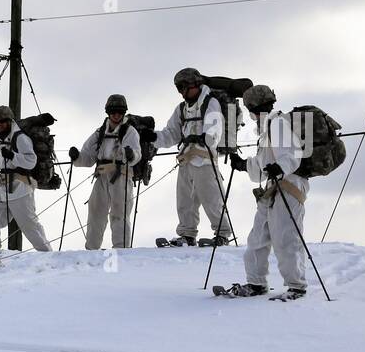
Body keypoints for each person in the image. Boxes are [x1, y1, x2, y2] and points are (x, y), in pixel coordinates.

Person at [224, 85, 307, 298]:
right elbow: (263, 166)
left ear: (253, 107)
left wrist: (280, 168)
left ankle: (297, 286)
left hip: (289, 187)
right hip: (273, 189)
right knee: (258, 237)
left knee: (285, 238)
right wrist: (244, 165)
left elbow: (292, 155)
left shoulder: (277, 123)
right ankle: (256, 283)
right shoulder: (267, 128)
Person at [153, 68, 234, 246]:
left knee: (212, 198)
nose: (182, 93)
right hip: (185, 161)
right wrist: (154, 138)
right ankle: (187, 234)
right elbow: (171, 133)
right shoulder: (181, 108)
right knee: (184, 201)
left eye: (184, 88)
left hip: (204, 160)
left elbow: (214, 128)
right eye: (179, 89)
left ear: (195, 84)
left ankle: (222, 234)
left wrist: (204, 137)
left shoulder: (210, 102)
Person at [0, 106, 52, 252]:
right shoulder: (0, 140)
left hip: (20, 188)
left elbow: (31, 160)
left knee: (29, 226)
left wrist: (13, 156)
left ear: (10, 121)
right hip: (1, 187)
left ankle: (48, 254)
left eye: (3, 121)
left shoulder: (20, 138)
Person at [69, 94, 141, 249]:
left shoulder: (130, 131)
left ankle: (121, 249)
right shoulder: (100, 132)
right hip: (101, 176)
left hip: (121, 175)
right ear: (108, 112)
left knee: (119, 212)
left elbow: (136, 153)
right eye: (113, 111)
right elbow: (88, 156)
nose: (116, 115)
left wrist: (131, 155)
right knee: (95, 210)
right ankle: (92, 248)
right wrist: (77, 157)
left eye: (120, 112)